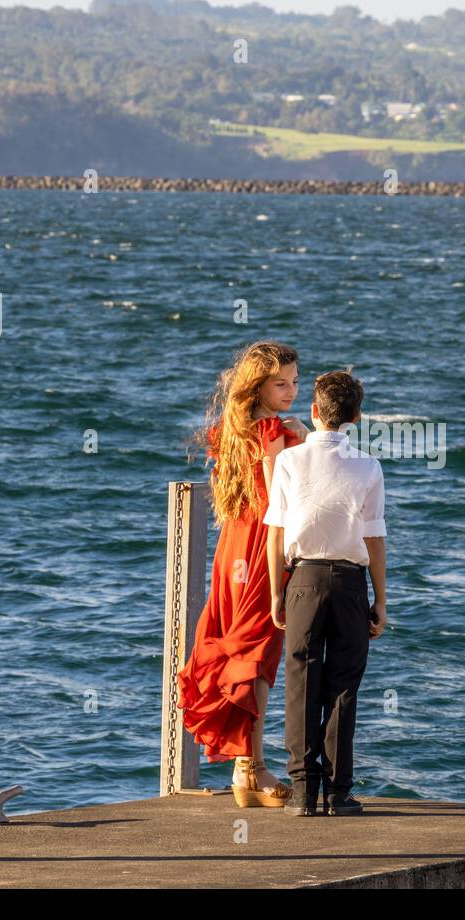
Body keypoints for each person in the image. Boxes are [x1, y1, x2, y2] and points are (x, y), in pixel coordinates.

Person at [176, 340, 309, 808]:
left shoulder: (231, 429)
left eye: (294, 381)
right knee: (257, 652)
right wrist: (308, 440)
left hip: (233, 542)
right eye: (281, 383)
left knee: (242, 647)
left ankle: (246, 768)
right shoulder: (272, 427)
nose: (291, 390)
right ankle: (251, 767)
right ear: (258, 385)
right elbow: (281, 498)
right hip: (261, 546)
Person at [263, 370, 388, 816]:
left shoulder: (289, 462)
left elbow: (275, 534)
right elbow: (374, 539)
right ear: (355, 417)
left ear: (314, 412)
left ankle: (301, 792)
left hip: (303, 579)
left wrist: (278, 591)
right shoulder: (369, 467)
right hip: (351, 583)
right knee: (343, 687)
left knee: (301, 681)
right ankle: (338, 793)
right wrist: (381, 600)